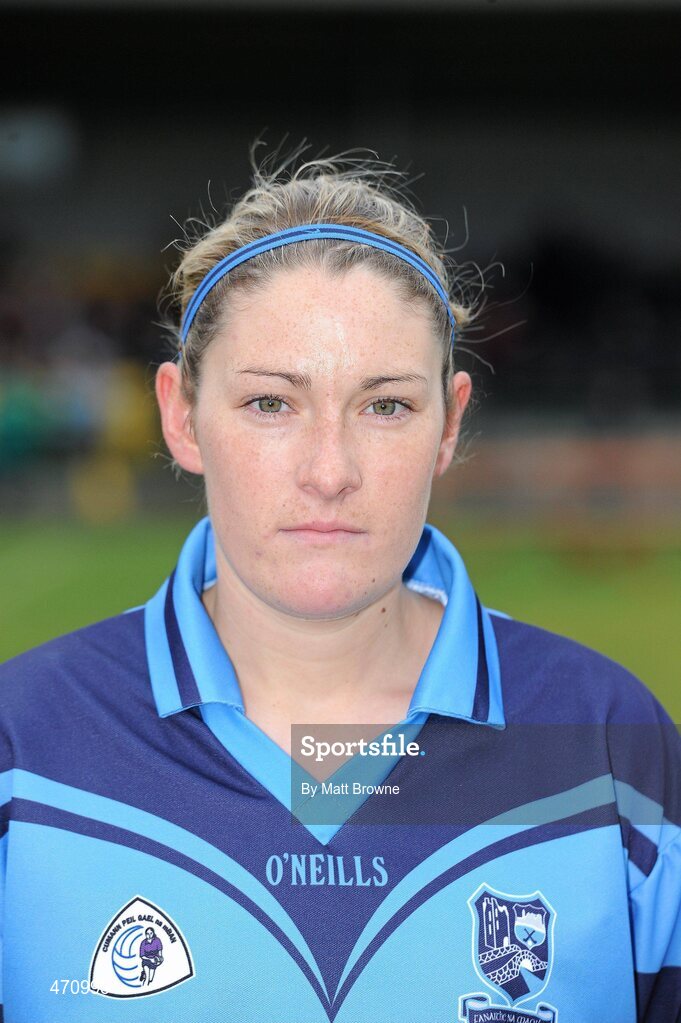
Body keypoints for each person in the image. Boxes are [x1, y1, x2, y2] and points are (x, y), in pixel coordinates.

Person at [0, 145, 679, 1023]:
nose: (329, 471)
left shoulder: (611, 745)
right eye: (270, 404)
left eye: (386, 405)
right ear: (180, 416)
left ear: (449, 423)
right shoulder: (24, 746)